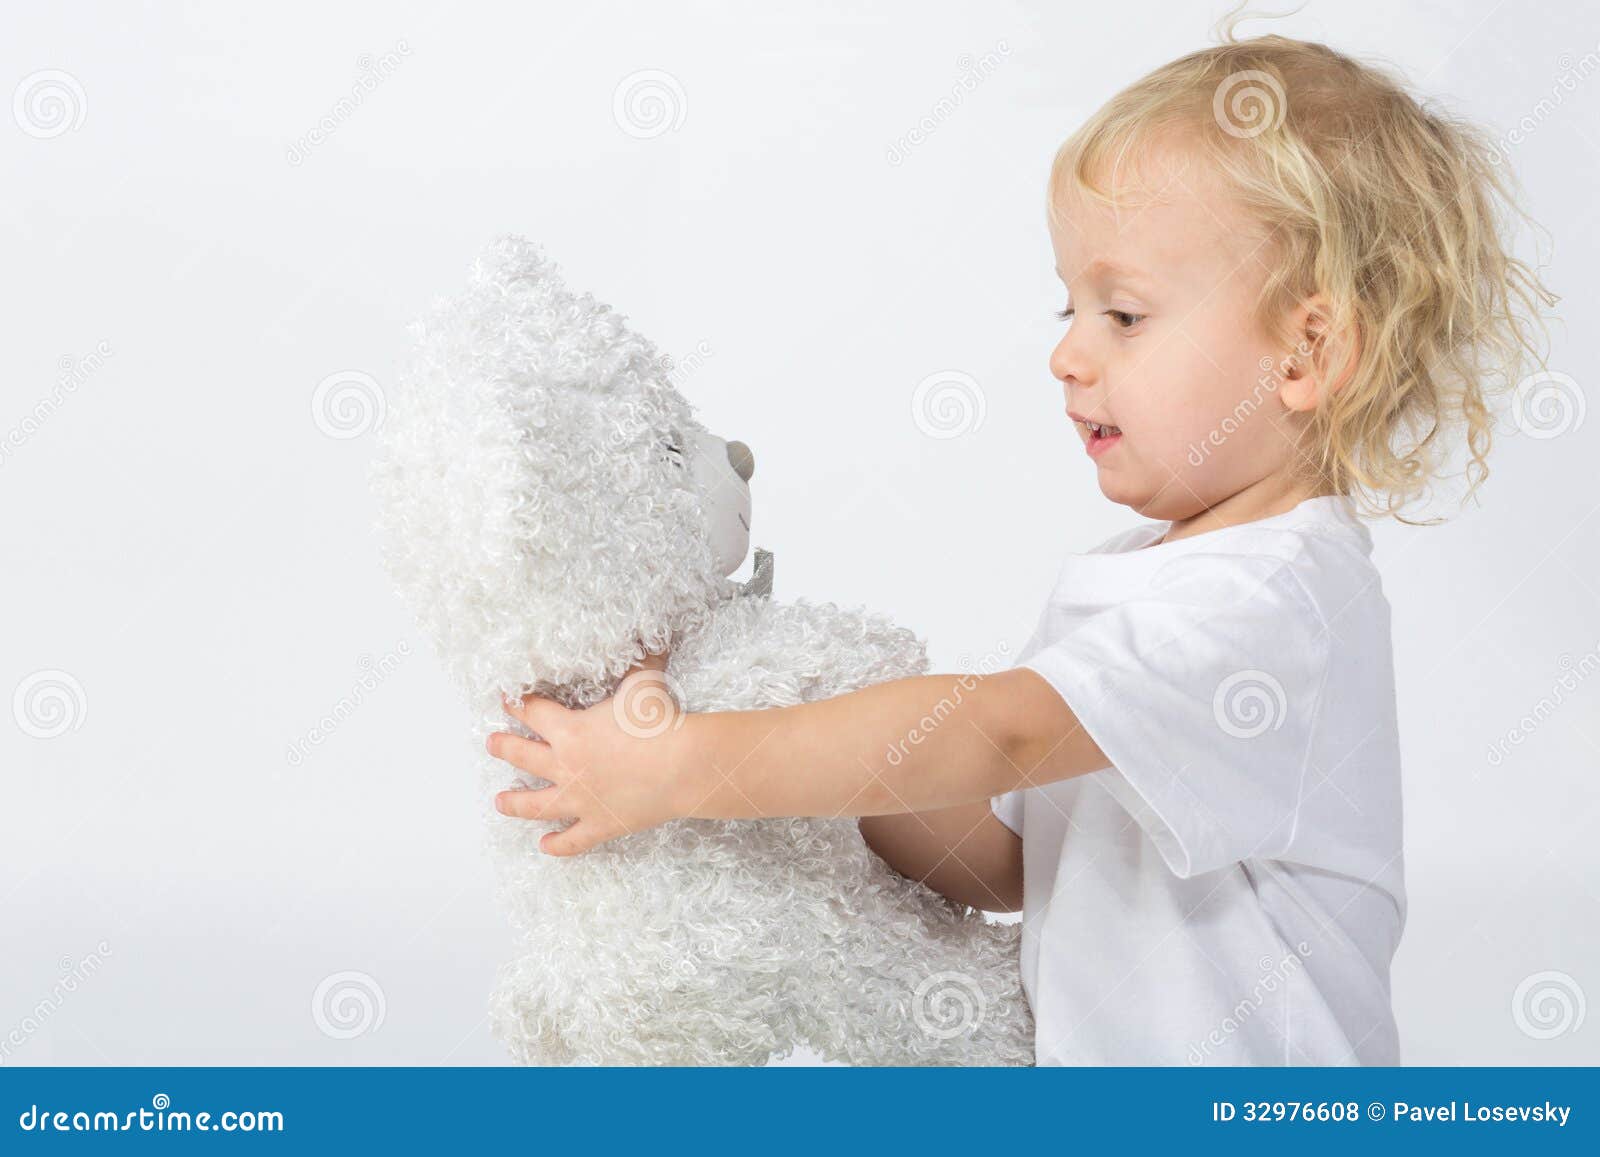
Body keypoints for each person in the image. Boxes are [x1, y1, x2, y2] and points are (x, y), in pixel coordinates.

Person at [484, 28, 1556, 1065]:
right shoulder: (1147, 575)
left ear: (1304, 352)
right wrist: (784, 725)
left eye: (1123, 314)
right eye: (1067, 305)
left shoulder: (1270, 604)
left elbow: (999, 732)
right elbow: (1006, 865)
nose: (1066, 354)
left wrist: (684, 764)